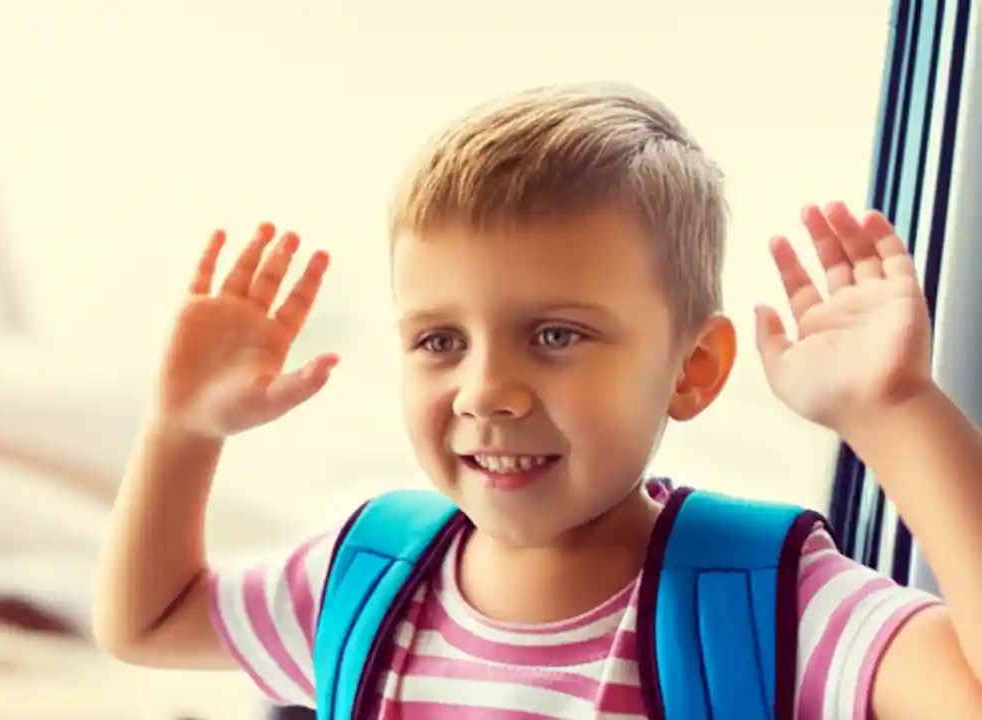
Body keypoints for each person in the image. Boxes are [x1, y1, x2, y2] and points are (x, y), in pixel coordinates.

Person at [91, 81, 982, 718]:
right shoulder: (362, 582)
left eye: (556, 335)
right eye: (440, 341)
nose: (487, 391)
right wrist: (182, 430)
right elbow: (150, 621)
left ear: (693, 369)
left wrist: (894, 412)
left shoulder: (771, 606)